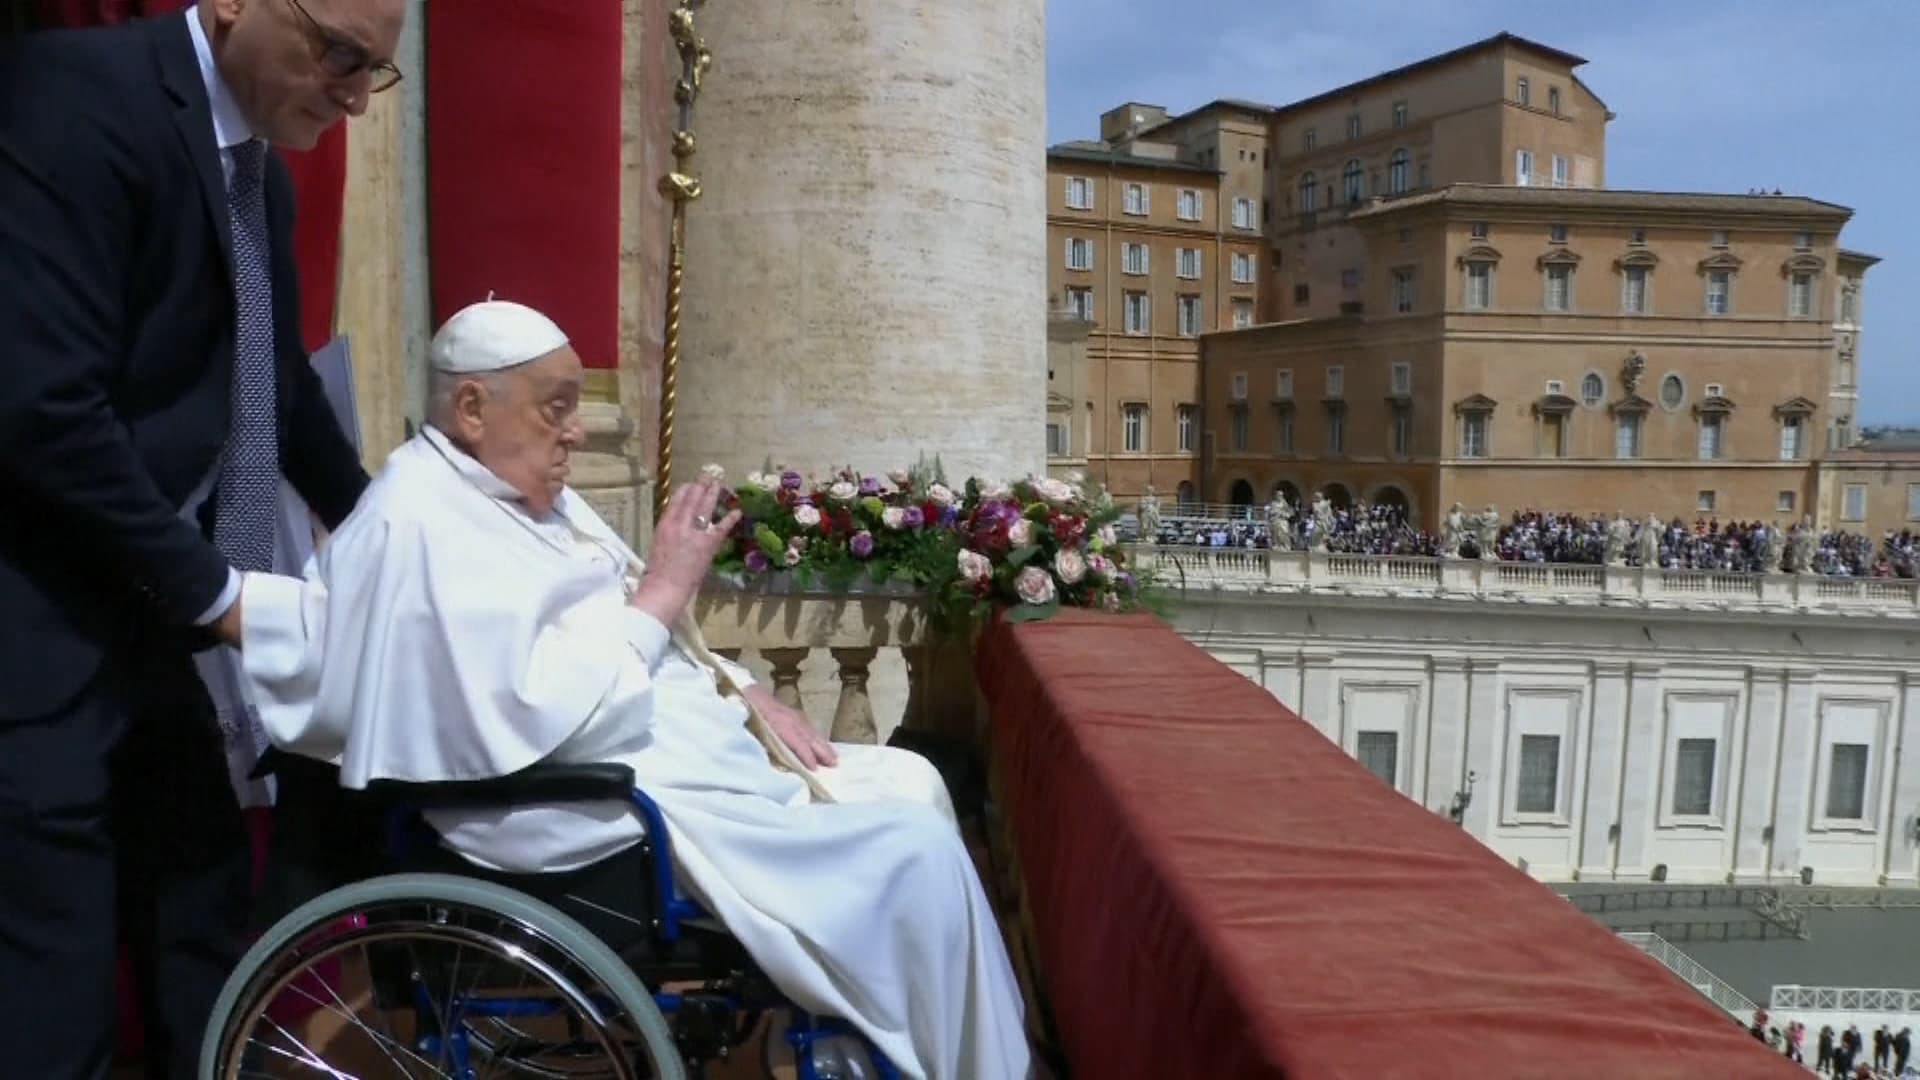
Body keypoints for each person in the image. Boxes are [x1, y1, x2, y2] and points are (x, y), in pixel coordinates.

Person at [237, 300, 1033, 1079]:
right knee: (917, 852)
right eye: (557, 409)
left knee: (914, 780)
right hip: (589, 811)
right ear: (473, 408)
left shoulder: (512, 491)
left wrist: (745, 688)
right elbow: (542, 708)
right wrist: (665, 587)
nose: (577, 432)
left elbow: (623, 624)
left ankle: (883, 1045)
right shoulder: (418, 521)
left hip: (658, 759)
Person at [0, 2, 404, 1076]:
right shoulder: (78, 95)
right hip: (30, 620)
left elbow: (279, 397)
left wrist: (401, 543)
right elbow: (43, 409)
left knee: (205, 924)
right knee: (55, 990)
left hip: (133, 613)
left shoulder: (259, 174)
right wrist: (219, 595)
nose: (358, 95)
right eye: (344, 56)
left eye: (379, 74)